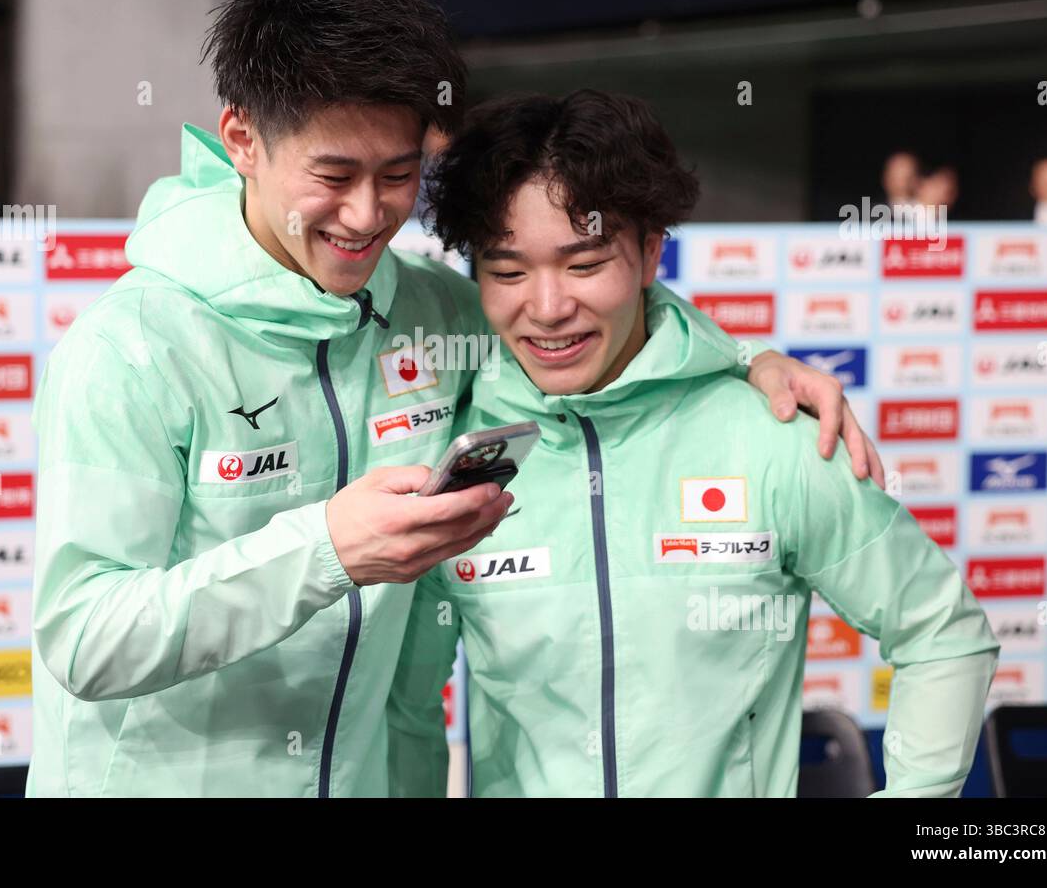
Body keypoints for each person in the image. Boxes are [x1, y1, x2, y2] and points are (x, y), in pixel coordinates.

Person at [29, 0, 879, 798]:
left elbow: (589, 323)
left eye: (397, 176)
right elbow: (84, 639)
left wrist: (744, 359)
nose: (367, 217)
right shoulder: (131, 349)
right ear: (243, 139)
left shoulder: (435, 314)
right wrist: (325, 549)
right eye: (333, 176)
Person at [387, 90, 999, 797]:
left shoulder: (772, 438)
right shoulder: (458, 456)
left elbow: (943, 634)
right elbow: (407, 707)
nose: (548, 308)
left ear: (650, 253)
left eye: (585, 265)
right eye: (508, 271)